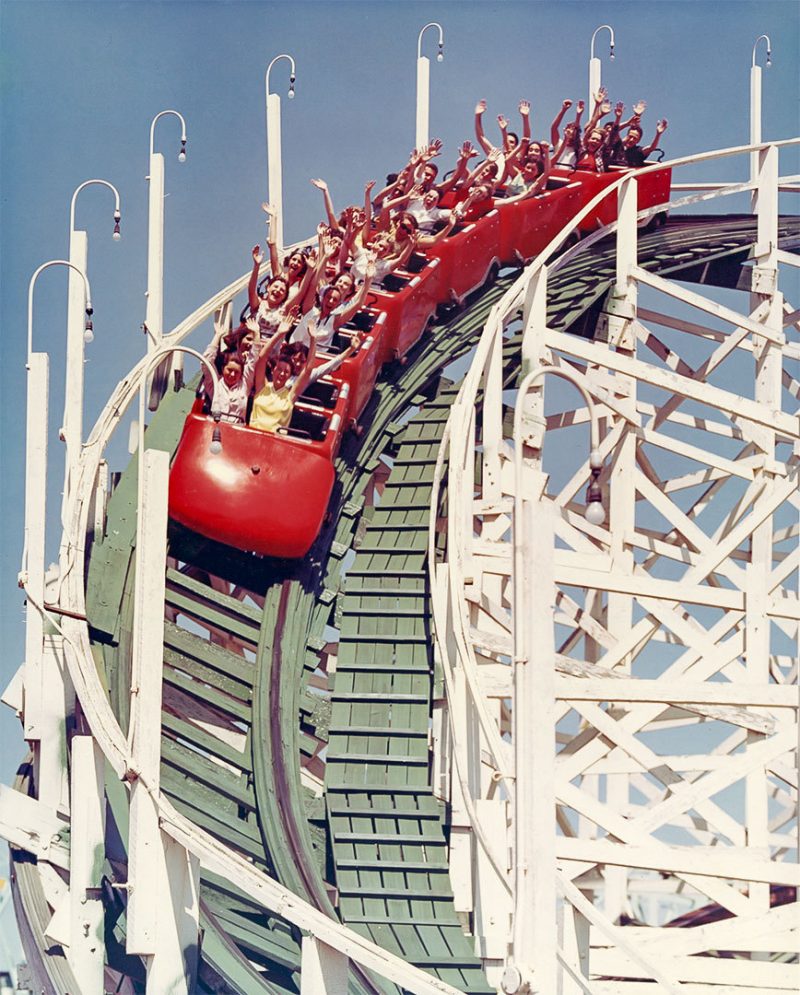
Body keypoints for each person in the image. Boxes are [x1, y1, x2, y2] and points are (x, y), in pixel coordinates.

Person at [250, 320, 318, 434]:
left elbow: (308, 369)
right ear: (273, 370)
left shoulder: (290, 395)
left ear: (290, 375)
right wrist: (279, 333)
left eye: (286, 372)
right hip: (253, 436)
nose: (282, 374)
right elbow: (262, 358)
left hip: (275, 442)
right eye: (279, 370)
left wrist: (313, 338)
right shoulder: (262, 387)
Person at [201, 322, 257, 423]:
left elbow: (253, 361)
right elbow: (206, 361)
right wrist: (217, 336)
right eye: (229, 370)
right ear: (223, 369)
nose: (232, 375)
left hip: (235, 432)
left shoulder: (244, 386)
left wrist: (257, 333)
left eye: (236, 372)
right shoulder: (215, 385)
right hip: (214, 428)